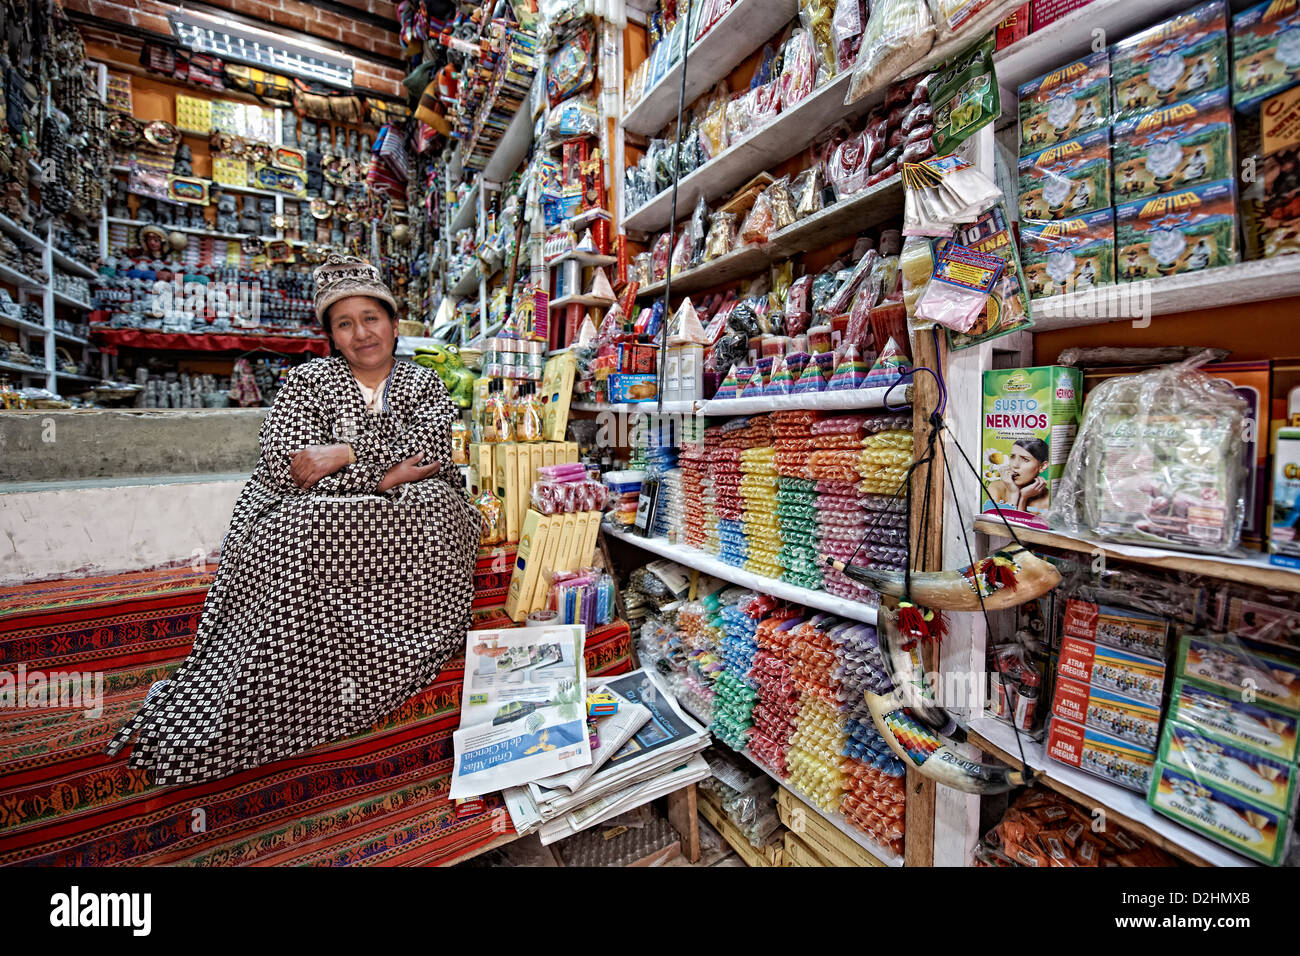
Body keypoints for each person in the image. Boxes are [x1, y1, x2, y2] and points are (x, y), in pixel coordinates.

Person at [107, 254, 483, 786]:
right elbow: (295, 466)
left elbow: (429, 454)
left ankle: (392, 645)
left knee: (436, 508)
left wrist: (347, 453)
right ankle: (279, 683)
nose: (362, 333)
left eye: (371, 319)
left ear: (395, 324)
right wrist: (380, 471)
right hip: (316, 513)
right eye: (345, 324)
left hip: (397, 515)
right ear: (331, 336)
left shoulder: (424, 385)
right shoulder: (306, 381)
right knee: (305, 523)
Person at [986, 438, 1051, 514]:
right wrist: (1014, 494)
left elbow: (1016, 525)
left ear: (1043, 466)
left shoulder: (1047, 500)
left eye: (1025, 459)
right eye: (1012, 457)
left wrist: (1023, 497)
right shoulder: (995, 487)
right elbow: (998, 524)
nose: (1015, 465)